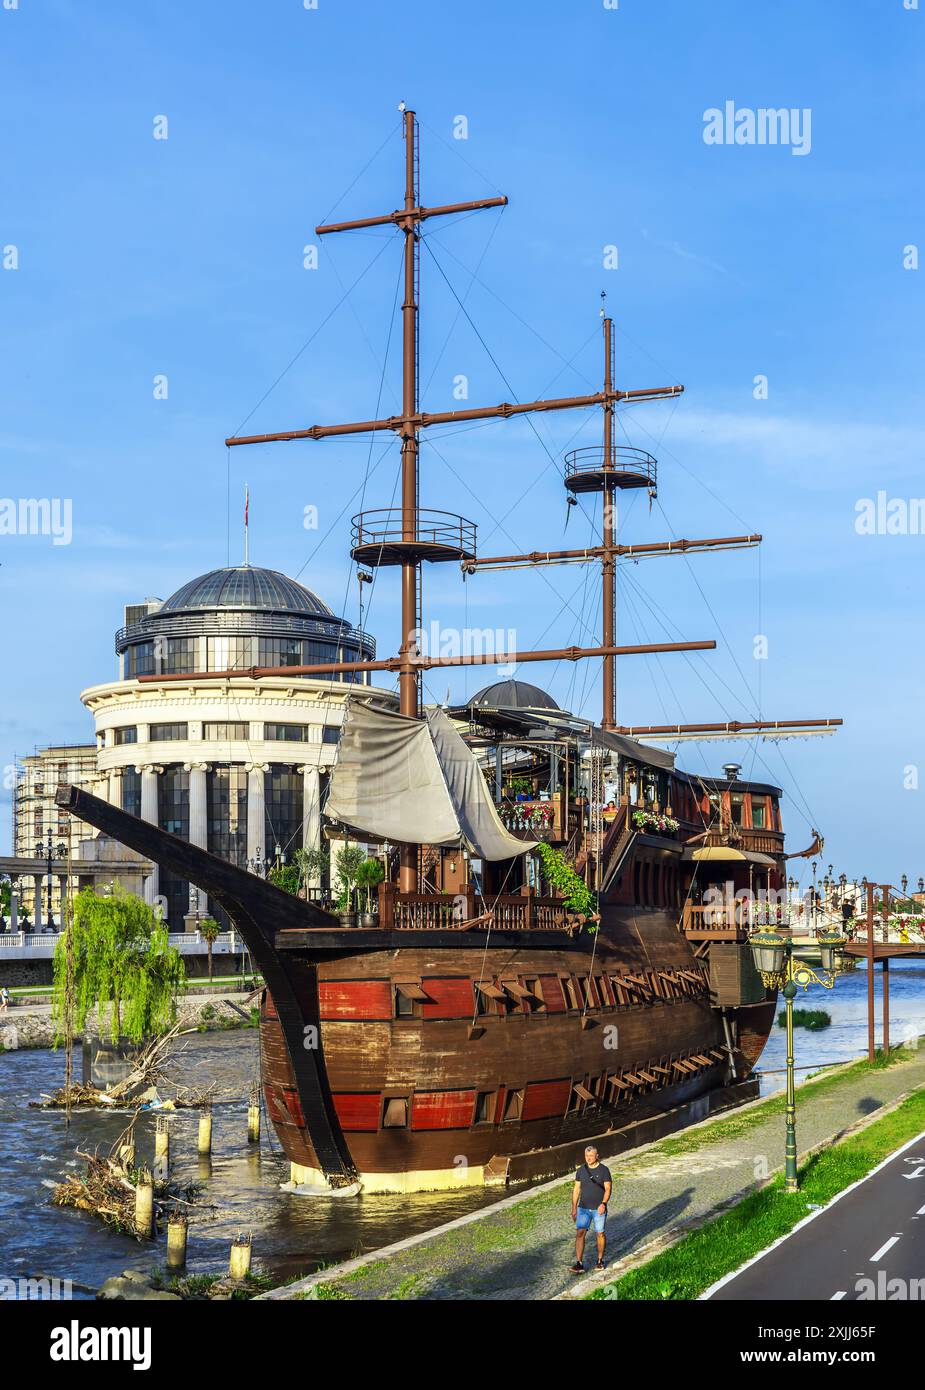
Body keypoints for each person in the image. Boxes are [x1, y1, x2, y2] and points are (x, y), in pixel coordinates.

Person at [570, 1144, 612, 1272]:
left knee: (600, 1233)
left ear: (597, 1156)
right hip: (583, 1208)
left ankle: (599, 1261)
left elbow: (608, 1189)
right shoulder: (581, 1171)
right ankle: (579, 1263)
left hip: (598, 1208)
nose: (588, 1158)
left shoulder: (604, 1170)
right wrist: (574, 1208)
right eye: (586, 1156)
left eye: (591, 1156)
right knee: (580, 1233)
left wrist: (603, 1204)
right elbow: (576, 1190)